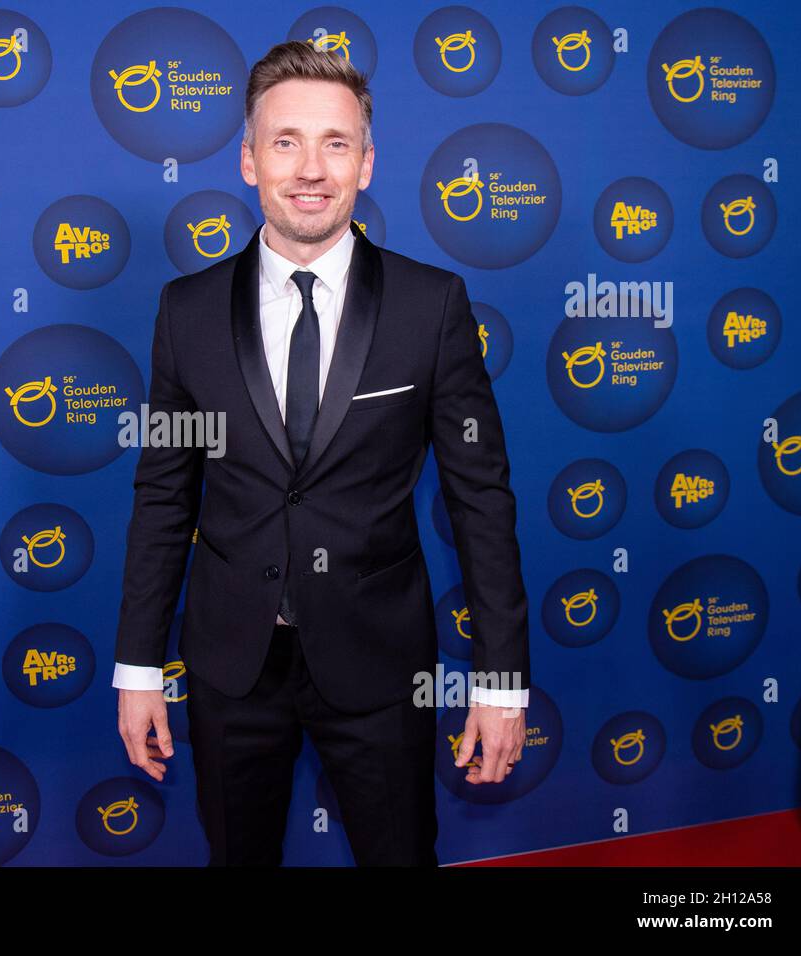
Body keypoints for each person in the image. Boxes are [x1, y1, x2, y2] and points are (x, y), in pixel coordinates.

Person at [112, 40, 532, 866]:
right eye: (286, 141)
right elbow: (164, 496)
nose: (311, 168)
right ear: (248, 159)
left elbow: (481, 498)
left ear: (367, 163)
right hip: (229, 668)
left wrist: (500, 681)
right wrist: (136, 667)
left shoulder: (431, 306)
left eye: (335, 143)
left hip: (380, 665)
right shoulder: (185, 311)